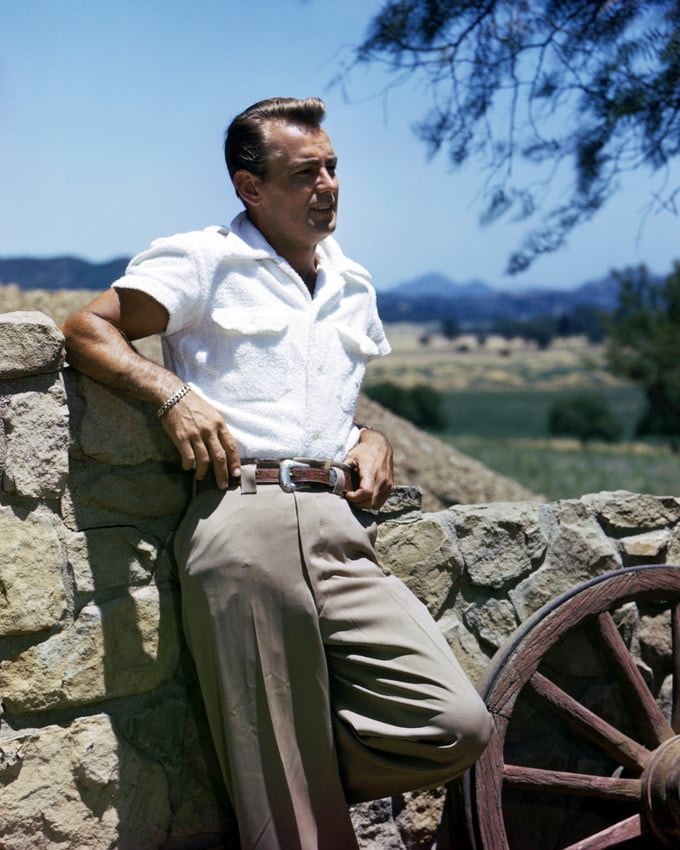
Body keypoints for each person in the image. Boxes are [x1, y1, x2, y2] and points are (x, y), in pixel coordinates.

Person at [61, 97, 492, 850]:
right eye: (305, 173)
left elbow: (312, 398)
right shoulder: (203, 258)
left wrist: (371, 433)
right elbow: (86, 328)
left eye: (331, 168)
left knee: (456, 725)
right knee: (286, 824)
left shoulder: (353, 281)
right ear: (250, 187)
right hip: (244, 521)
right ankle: (281, 792)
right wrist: (171, 395)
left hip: (339, 528)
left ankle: (291, 780)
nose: (327, 185)